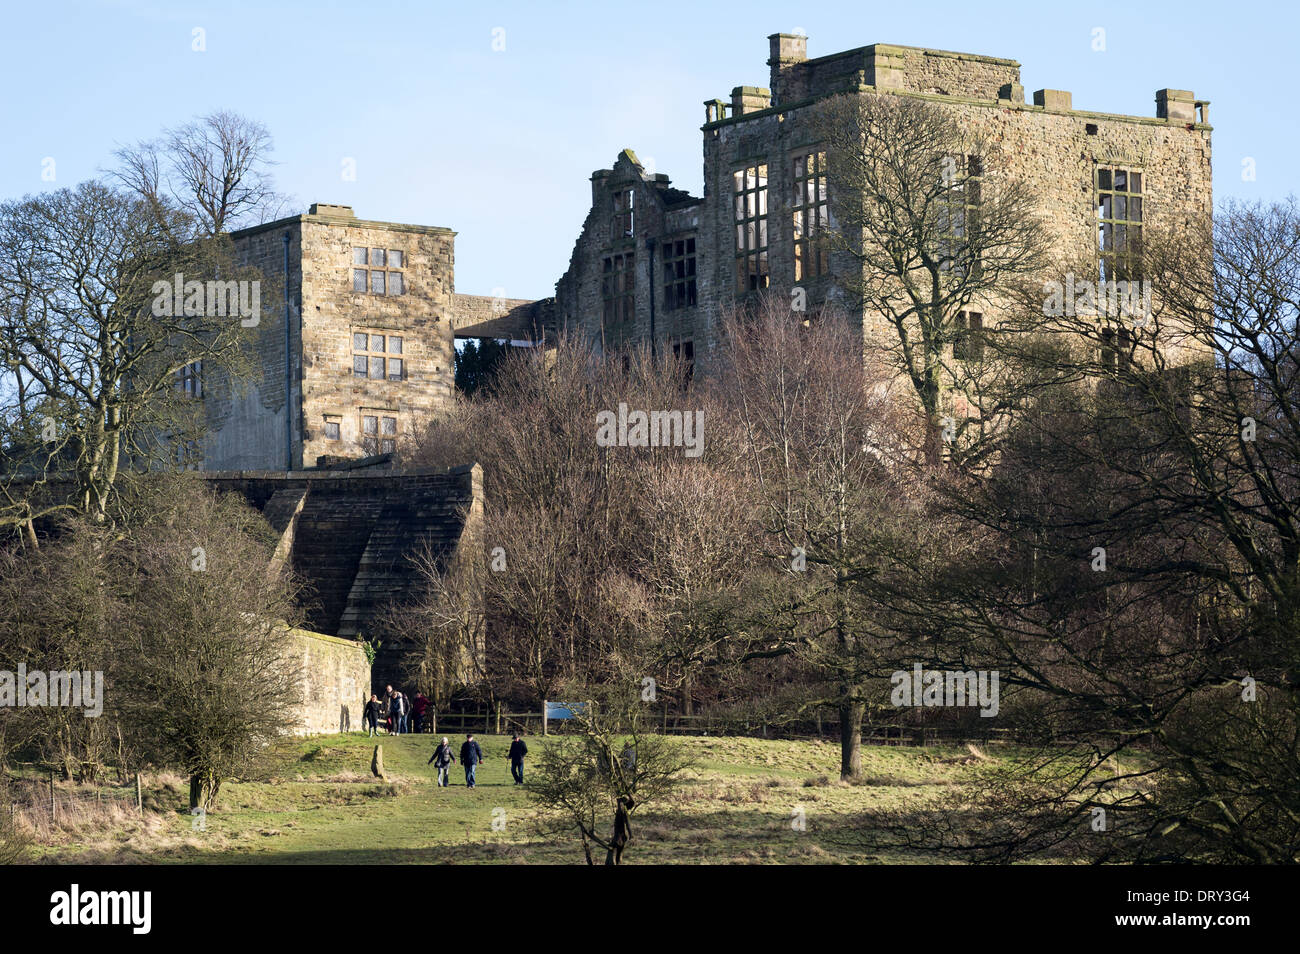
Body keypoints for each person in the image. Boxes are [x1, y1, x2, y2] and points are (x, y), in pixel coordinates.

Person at [606, 795, 634, 865]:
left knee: (616, 855)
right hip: (620, 838)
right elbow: (628, 825)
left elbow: (628, 825)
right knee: (617, 855)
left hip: (619, 838)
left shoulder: (622, 812)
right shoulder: (623, 812)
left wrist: (631, 835)